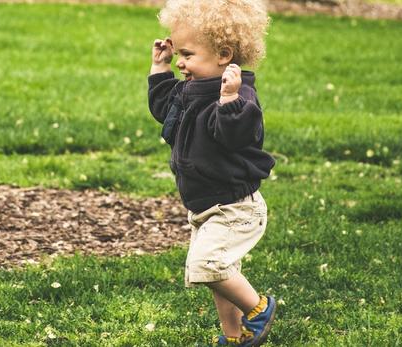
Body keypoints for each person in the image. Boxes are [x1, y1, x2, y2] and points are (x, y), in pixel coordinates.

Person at [147, 1, 277, 346]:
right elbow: (164, 111)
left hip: (235, 206)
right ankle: (233, 338)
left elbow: (234, 135)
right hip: (206, 205)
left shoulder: (239, 95)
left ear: (223, 54)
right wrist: (159, 69)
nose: (180, 62)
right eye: (178, 53)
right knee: (219, 273)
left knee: (209, 265)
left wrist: (229, 100)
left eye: (187, 54)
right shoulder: (190, 89)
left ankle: (260, 308)